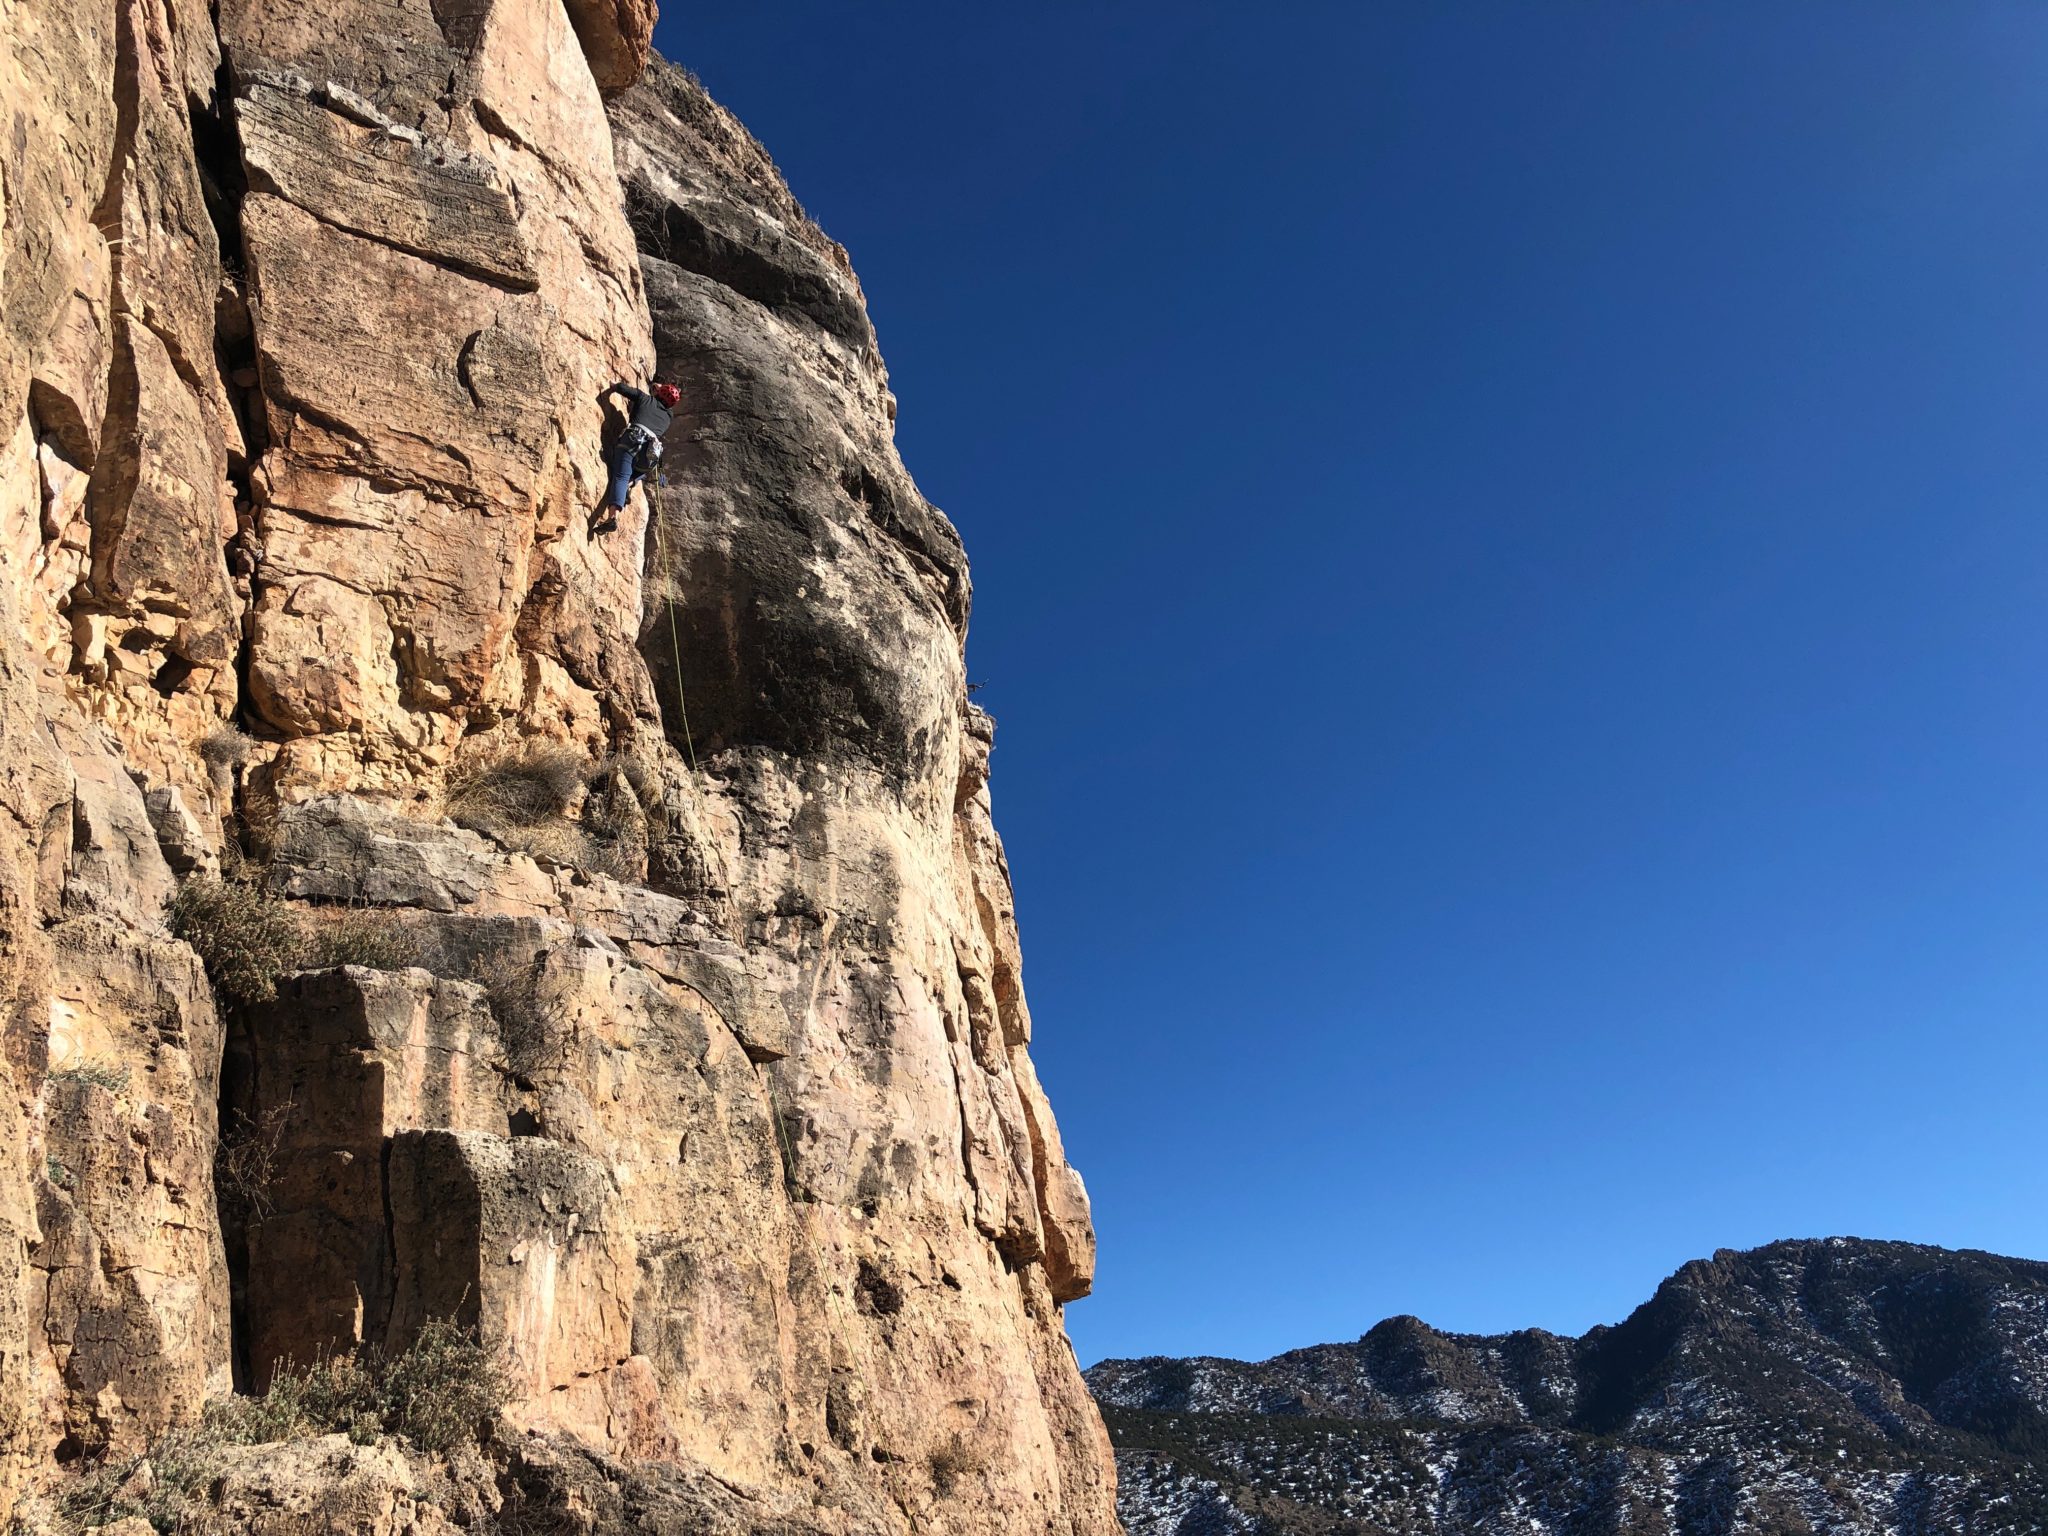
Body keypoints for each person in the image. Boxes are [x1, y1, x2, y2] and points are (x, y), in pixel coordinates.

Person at [592, 379, 680, 533]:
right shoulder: (668, 416)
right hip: (650, 454)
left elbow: (620, 387)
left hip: (632, 440)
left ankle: (612, 517)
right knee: (639, 473)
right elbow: (663, 403)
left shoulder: (644, 398)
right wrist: (660, 391)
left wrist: (612, 387)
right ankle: (630, 482)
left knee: (621, 476)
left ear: (659, 392)